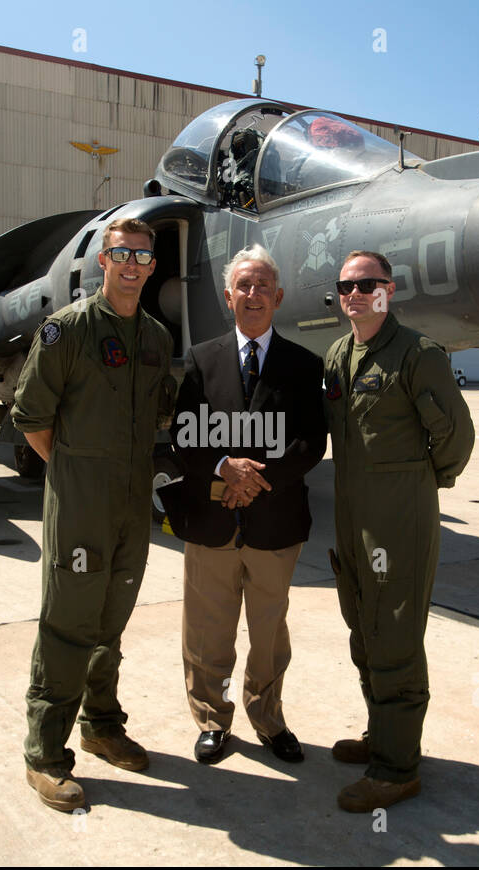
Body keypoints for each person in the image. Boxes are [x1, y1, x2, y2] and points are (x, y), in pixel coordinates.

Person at [12, 217, 176, 812]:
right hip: (81, 505)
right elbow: (32, 419)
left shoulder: (156, 338)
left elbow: (161, 418)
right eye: (122, 254)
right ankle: (45, 755)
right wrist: (74, 475)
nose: (132, 265)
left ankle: (101, 725)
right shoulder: (68, 331)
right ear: (103, 262)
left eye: (142, 256)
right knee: (68, 625)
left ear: (152, 267)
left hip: (133, 504)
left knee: (111, 622)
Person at [323, 250, 475, 812]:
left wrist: (419, 485)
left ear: (390, 290)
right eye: (346, 285)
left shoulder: (417, 354)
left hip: (398, 523)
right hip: (353, 521)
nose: (356, 293)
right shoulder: (339, 354)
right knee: (364, 629)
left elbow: (456, 435)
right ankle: (381, 736)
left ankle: (397, 769)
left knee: (395, 635)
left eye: (368, 283)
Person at [167, 245, 325, 765]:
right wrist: (222, 469)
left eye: (263, 287)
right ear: (228, 295)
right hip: (210, 521)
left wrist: (258, 479)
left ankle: (268, 719)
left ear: (277, 298)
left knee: (268, 633)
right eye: (244, 286)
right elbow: (183, 437)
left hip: (275, 525)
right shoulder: (201, 359)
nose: (253, 295)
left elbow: (309, 442)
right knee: (207, 630)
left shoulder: (304, 366)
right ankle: (212, 719)